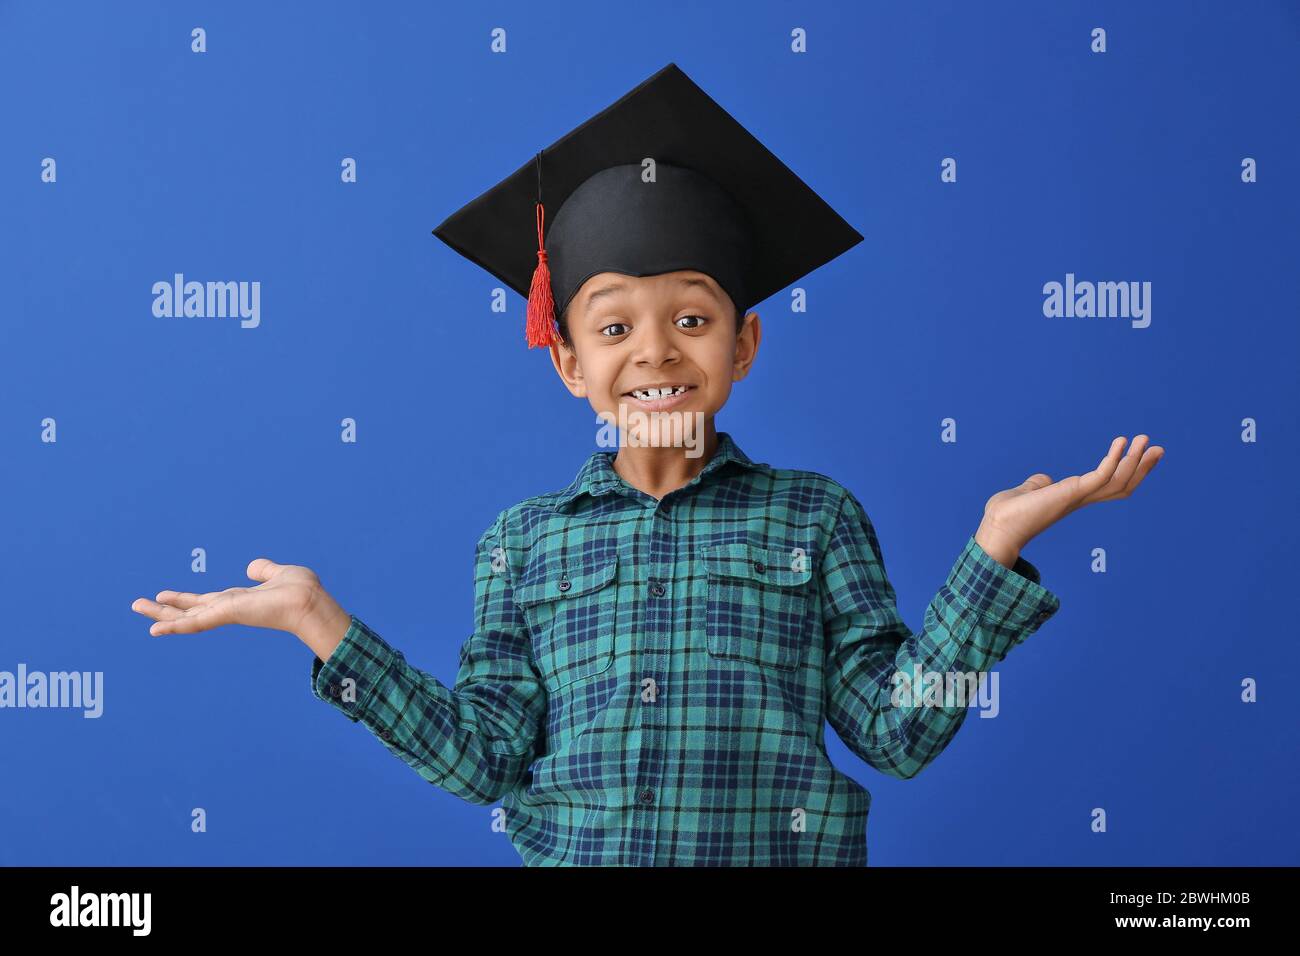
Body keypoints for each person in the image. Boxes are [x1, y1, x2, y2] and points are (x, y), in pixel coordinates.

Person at [130, 63, 1164, 865]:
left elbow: (896, 730)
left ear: (743, 345)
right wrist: (324, 624)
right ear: (568, 361)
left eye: (692, 317)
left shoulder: (814, 517)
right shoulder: (523, 544)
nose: (657, 351)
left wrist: (990, 552)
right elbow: (484, 756)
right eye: (614, 324)